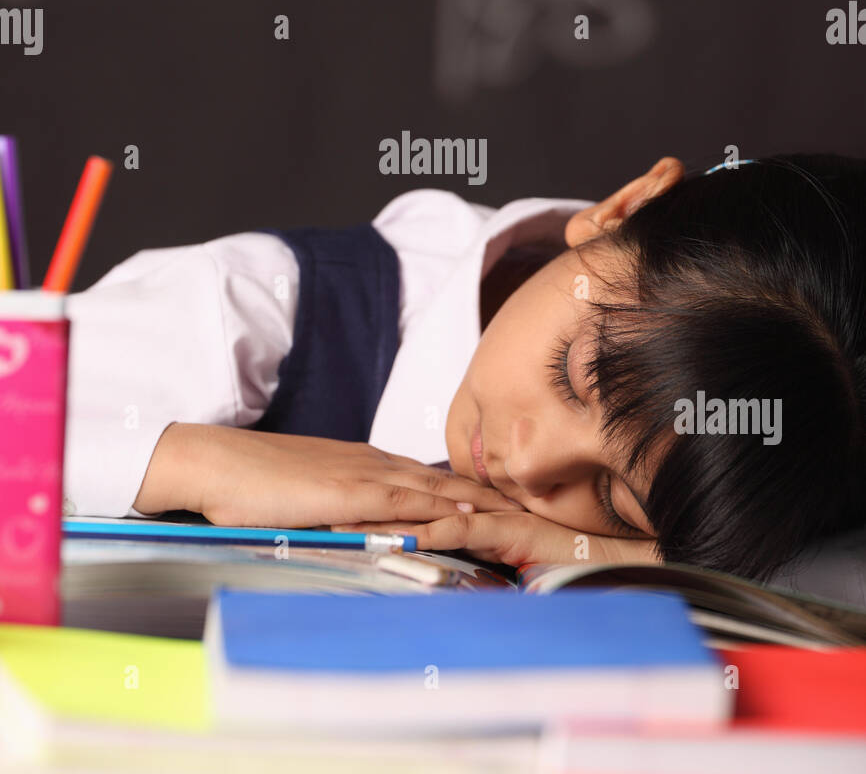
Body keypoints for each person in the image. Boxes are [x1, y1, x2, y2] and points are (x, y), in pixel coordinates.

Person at [64, 154, 866, 581]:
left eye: (617, 500)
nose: (532, 462)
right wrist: (194, 461)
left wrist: (642, 558)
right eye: (574, 376)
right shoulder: (265, 308)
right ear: (624, 210)